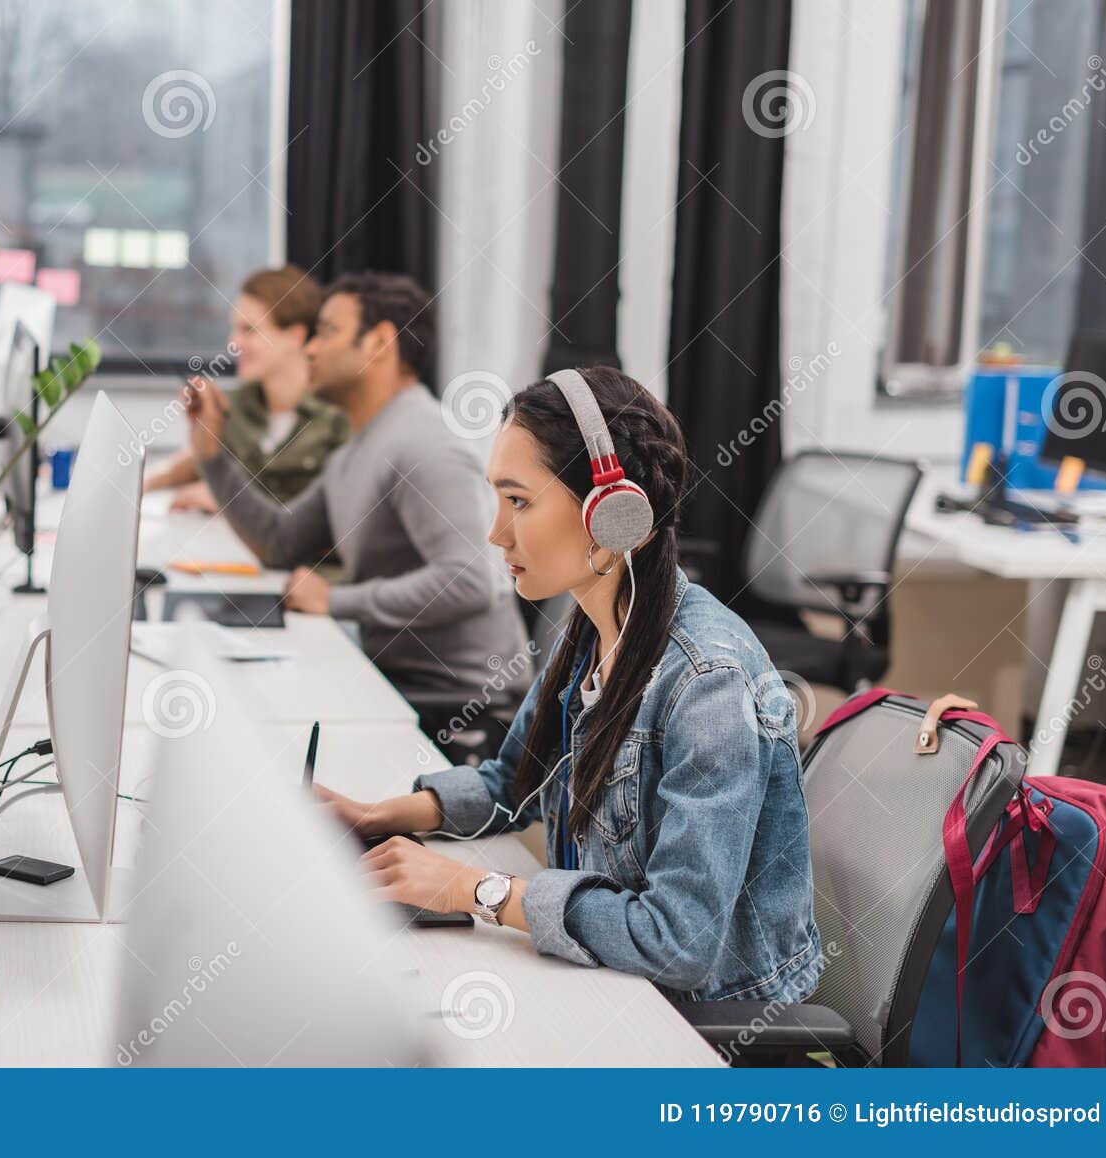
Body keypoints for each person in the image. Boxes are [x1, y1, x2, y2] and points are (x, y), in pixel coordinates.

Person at [317, 366, 821, 1004]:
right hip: (612, 983)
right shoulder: (594, 629)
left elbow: (678, 941)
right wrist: (377, 815)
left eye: (519, 501)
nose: (495, 533)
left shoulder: (707, 686)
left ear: (611, 514)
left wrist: (476, 890)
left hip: (700, 1021)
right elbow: (514, 782)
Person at [184, 271, 531, 701]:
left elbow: (469, 582)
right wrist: (212, 454)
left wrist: (334, 600)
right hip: (397, 675)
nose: (311, 348)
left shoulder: (425, 444)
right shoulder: (355, 449)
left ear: (379, 342)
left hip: (459, 699)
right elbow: (279, 542)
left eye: (328, 332)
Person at [146, 264, 347, 513]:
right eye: (235, 328)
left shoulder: (338, 416)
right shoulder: (233, 406)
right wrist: (136, 484)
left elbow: (336, 511)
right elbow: (187, 463)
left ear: (294, 336)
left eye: (249, 330)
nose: (233, 342)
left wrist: (231, 501)